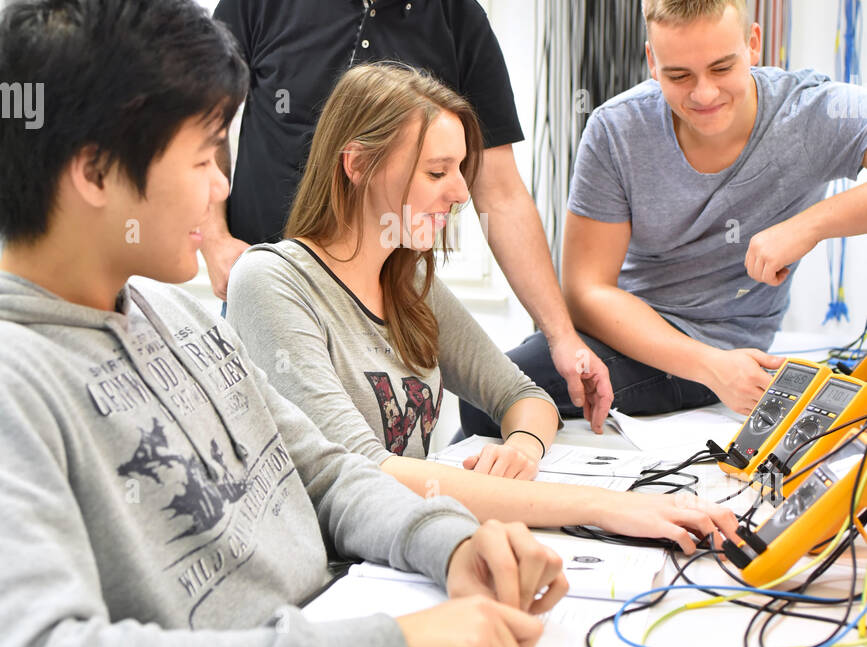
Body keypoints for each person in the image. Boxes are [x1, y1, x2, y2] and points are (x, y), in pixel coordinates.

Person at [0, 0, 570, 647]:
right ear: (93, 170)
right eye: (202, 158)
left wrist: (453, 546)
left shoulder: (176, 318)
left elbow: (326, 473)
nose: (226, 187)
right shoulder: (17, 380)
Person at [207, 0, 612, 430]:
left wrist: (559, 335)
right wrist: (215, 241)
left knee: (378, 479)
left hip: (382, 309)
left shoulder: (462, 25)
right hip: (264, 300)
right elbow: (200, 127)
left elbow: (499, 194)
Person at [226, 62, 738, 548]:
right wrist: (601, 506)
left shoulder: (410, 282)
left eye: (459, 170)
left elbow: (524, 396)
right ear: (357, 164)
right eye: (436, 172)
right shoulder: (272, 281)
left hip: (410, 543)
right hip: (334, 572)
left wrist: (521, 449)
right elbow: (363, 472)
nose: (460, 193)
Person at [461, 0, 867, 435]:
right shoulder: (616, 128)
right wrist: (709, 366)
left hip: (729, 346)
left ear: (753, 43)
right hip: (629, 334)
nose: (704, 93)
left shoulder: (813, 112)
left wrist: (809, 225)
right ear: (651, 60)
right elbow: (587, 291)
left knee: (487, 405)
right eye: (679, 76)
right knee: (485, 397)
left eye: (722, 66)